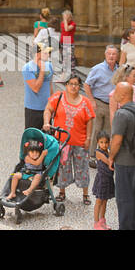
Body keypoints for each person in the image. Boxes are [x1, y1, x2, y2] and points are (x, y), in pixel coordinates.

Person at [45, 74, 94, 203]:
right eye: (70, 84)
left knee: (82, 167)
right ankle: (62, 192)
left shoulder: (85, 102)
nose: (73, 87)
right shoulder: (58, 97)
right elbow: (48, 109)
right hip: (62, 141)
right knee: (62, 167)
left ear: (80, 86)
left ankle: (85, 194)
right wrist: (46, 122)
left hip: (80, 142)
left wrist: (89, 138)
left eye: (76, 84)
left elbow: (90, 120)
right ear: (66, 85)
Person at [107, 81, 135, 230]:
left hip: (124, 161)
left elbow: (117, 141)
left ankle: (125, 227)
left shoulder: (121, 113)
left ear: (122, 95)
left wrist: (111, 157)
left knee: (124, 197)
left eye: (116, 90)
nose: (113, 93)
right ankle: (133, 225)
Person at [84, 44, 120, 156]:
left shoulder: (119, 70)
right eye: (109, 53)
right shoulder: (97, 69)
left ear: (117, 56)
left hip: (112, 105)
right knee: (96, 130)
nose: (111, 56)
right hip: (98, 103)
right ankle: (91, 155)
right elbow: (86, 84)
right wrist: (92, 100)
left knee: (108, 131)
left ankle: (103, 155)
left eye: (114, 54)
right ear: (105, 55)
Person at [6, 136, 48, 202]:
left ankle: (30, 190)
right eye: (32, 152)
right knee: (15, 175)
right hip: (26, 172)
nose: (35, 154)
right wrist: (42, 155)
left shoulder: (40, 157)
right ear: (28, 152)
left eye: (37, 152)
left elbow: (41, 163)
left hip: (36, 174)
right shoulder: (27, 158)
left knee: (38, 177)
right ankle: (12, 192)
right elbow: (37, 163)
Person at [22, 44, 53, 130]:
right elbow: (36, 88)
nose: (49, 54)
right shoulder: (27, 68)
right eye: (46, 52)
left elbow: (50, 85)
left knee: (48, 138)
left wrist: (53, 104)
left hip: (47, 109)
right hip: (33, 109)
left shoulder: (49, 65)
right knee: (33, 139)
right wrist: (42, 71)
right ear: (38, 54)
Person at [92, 134, 114, 229]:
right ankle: (96, 223)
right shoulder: (98, 152)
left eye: (106, 142)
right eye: (101, 142)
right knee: (99, 201)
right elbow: (109, 162)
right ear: (98, 143)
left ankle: (102, 220)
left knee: (105, 201)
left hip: (108, 179)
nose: (104, 145)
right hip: (102, 179)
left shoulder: (108, 152)